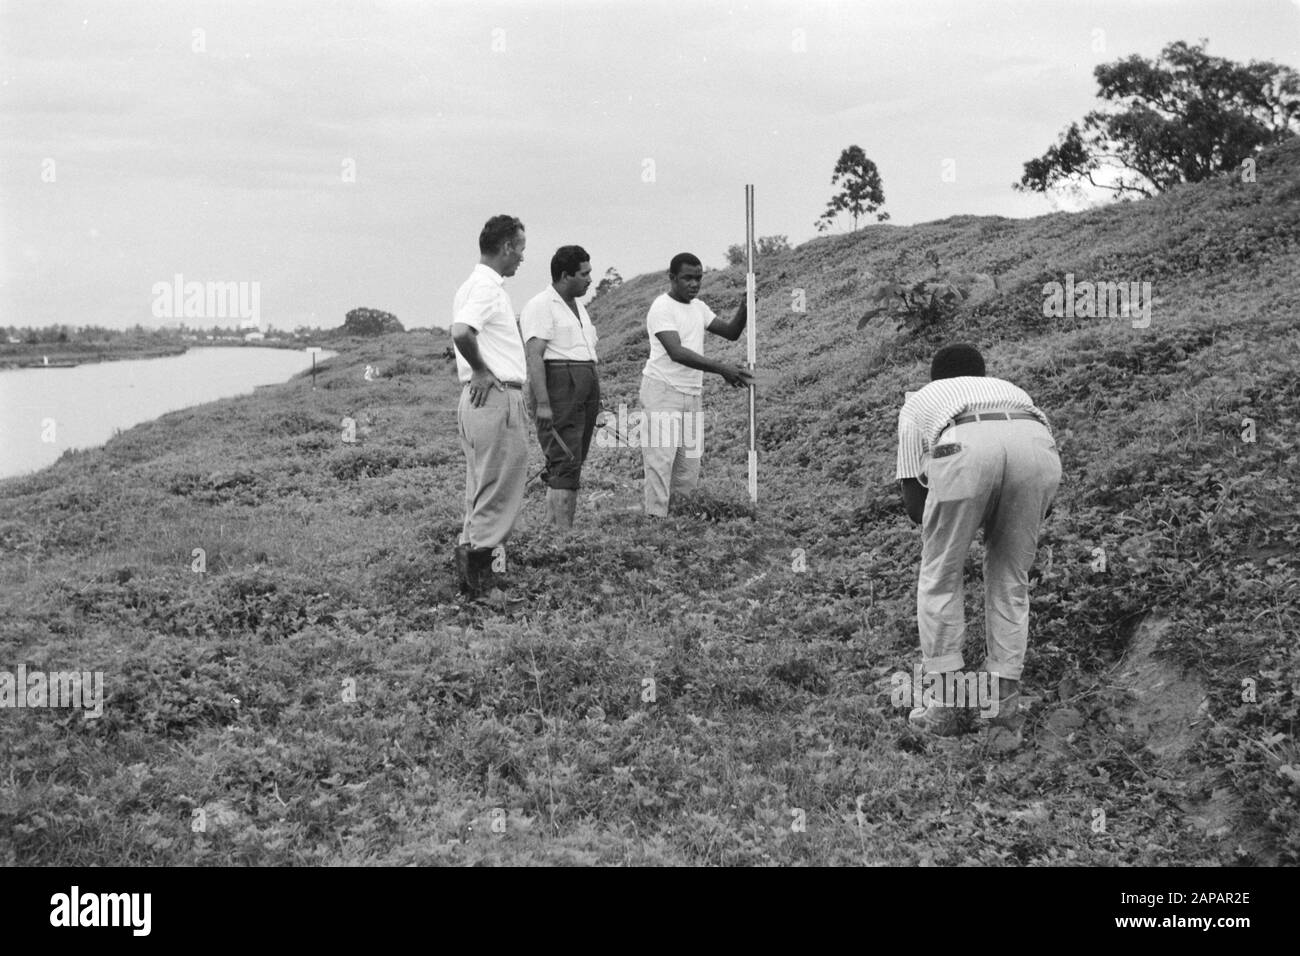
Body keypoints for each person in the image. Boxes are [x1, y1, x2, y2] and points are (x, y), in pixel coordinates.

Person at [895, 344, 1061, 749]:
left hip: (963, 446)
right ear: (983, 375)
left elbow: (915, 506)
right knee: (1010, 580)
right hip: (1036, 447)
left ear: (936, 380)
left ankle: (946, 708)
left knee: (940, 576)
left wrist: (959, 521)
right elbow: (1045, 504)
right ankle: (1003, 715)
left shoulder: (920, 401)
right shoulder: (1012, 390)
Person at [639, 252, 753, 517]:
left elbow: (731, 333)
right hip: (662, 391)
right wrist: (721, 369)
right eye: (687, 278)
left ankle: (680, 522)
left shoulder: (699, 308)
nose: (694, 284)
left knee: (688, 467)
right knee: (661, 461)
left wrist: (745, 307)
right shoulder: (661, 307)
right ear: (672, 278)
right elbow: (676, 352)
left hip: (691, 395)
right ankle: (656, 521)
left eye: (698, 279)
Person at [450, 214, 528, 593]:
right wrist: (481, 370)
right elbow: (462, 331)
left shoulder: (469, 286)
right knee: (499, 492)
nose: (522, 259)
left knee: (480, 488)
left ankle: (471, 577)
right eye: (520, 250)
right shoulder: (487, 288)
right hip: (494, 397)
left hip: (477, 401)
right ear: (507, 247)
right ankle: (486, 585)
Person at [520, 245, 599, 532]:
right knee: (564, 459)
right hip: (560, 386)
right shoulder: (541, 305)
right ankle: (562, 538)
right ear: (566, 275)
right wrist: (543, 402)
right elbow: (534, 355)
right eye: (584, 273)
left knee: (572, 461)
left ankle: (555, 531)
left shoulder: (579, 308)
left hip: (584, 382)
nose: (590, 279)